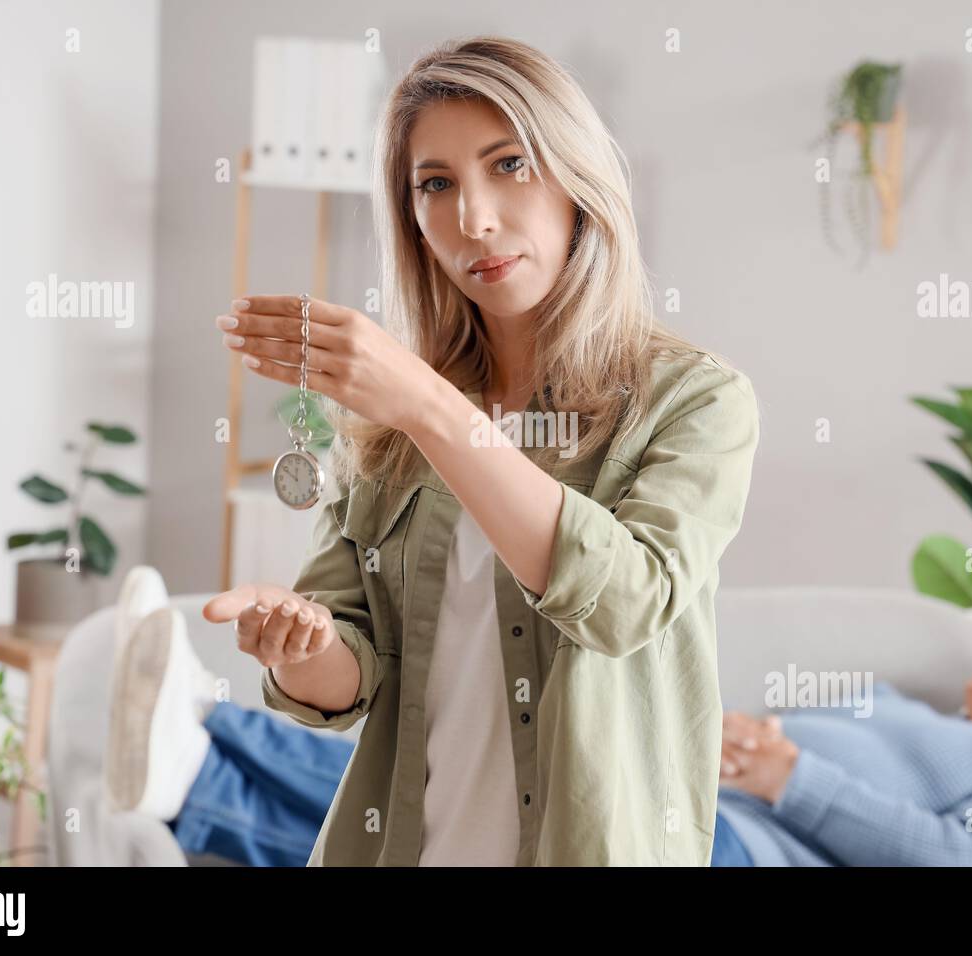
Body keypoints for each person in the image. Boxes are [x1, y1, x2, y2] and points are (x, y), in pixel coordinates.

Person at [201, 36, 761, 865]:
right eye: (437, 185)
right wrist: (301, 647)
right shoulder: (390, 423)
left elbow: (621, 604)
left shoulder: (696, 402)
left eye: (510, 165)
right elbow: (349, 676)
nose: (475, 218)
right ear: (413, 220)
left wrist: (429, 406)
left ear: (577, 178)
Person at [106, 569, 972, 867]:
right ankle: (196, 769)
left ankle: (208, 750)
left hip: (736, 844)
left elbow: (959, 863)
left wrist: (791, 774)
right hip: (694, 801)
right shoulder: (906, 704)